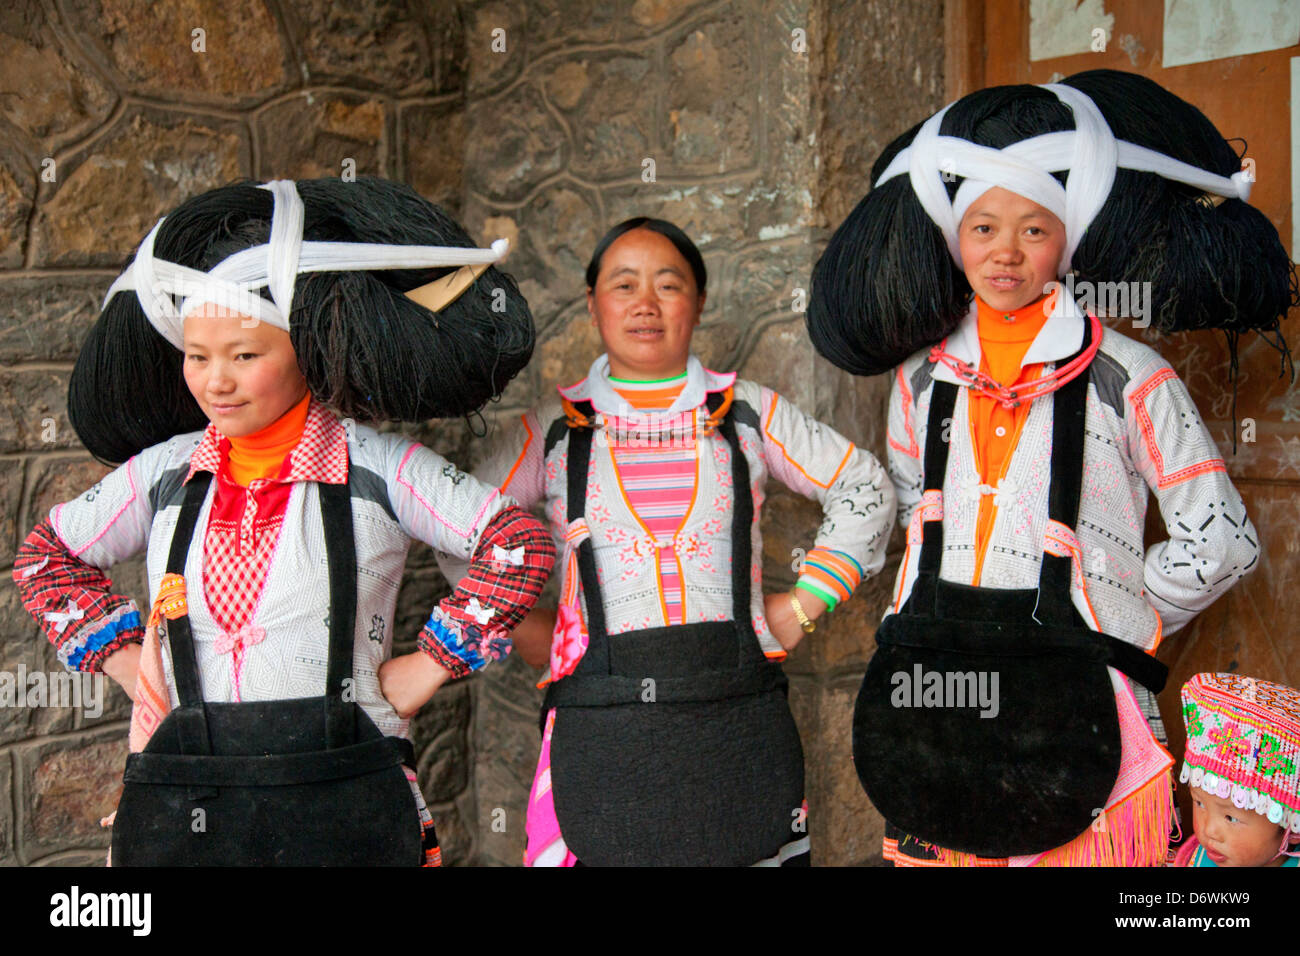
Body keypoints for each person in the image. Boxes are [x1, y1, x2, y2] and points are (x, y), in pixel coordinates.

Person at [807, 70, 1294, 866]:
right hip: (938, 706)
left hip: (1086, 713)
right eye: (983, 228)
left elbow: (1225, 544)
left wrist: (1112, 613)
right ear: (952, 239)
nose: (1005, 252)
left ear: (1068, 240)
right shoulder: (918, 381)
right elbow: (916, 517)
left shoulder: (1128, 375)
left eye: (1034, 229)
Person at [12, 177, 556, 866]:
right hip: (188, 798)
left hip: (348, 795)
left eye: (245, 355)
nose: (216, 381)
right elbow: (45, 557)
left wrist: (432, 663)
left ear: (304, 350)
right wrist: (126, 665)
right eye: (198, 356)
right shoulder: (162, 475)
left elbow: (516, 543)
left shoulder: (377, 467)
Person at [439, 217, 896, 866]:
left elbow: (865, 485)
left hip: (736, 728)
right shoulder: (554, 431)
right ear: (594, 300)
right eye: (624, 285)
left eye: (669, 284)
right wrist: (518, 625)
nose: (646, 304)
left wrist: (804, 606)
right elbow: (455, 527)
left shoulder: (744, 413)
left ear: (699, 302)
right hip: (600, 732)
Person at [1171, 673, 1299, 867]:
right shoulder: (1195, 859)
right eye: (1200, 803)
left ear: (1292, 829)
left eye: (1231, 817)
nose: (1209, 830)